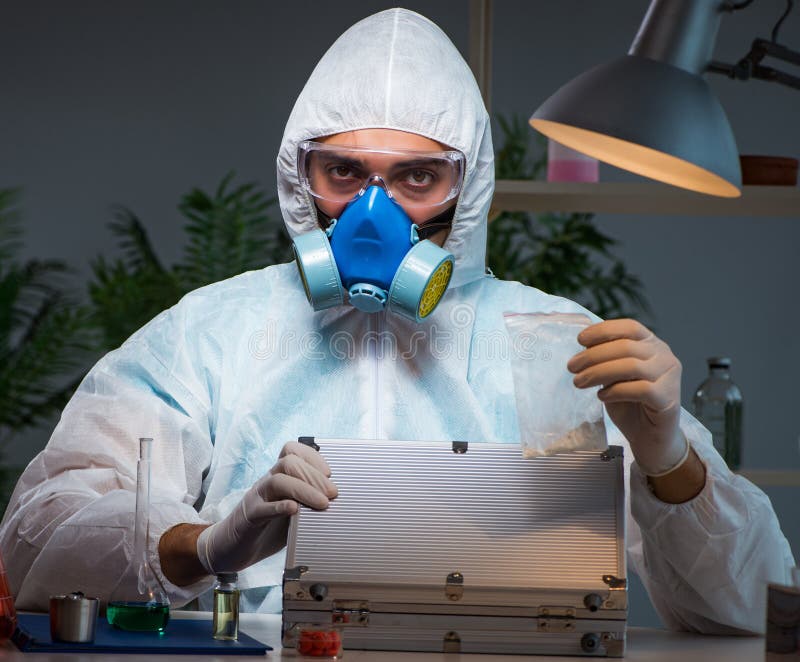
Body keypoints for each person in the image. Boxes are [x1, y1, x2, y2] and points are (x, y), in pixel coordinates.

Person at [0, 8, 794, 633]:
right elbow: (39, 536)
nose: (373, 214)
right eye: (344, 171)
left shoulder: (558, 343)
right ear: (298, 174)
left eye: (418, 177)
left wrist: (669, 460)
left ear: (468, 185)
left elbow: (753, 611)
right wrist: (201, 547)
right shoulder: (212, 333)